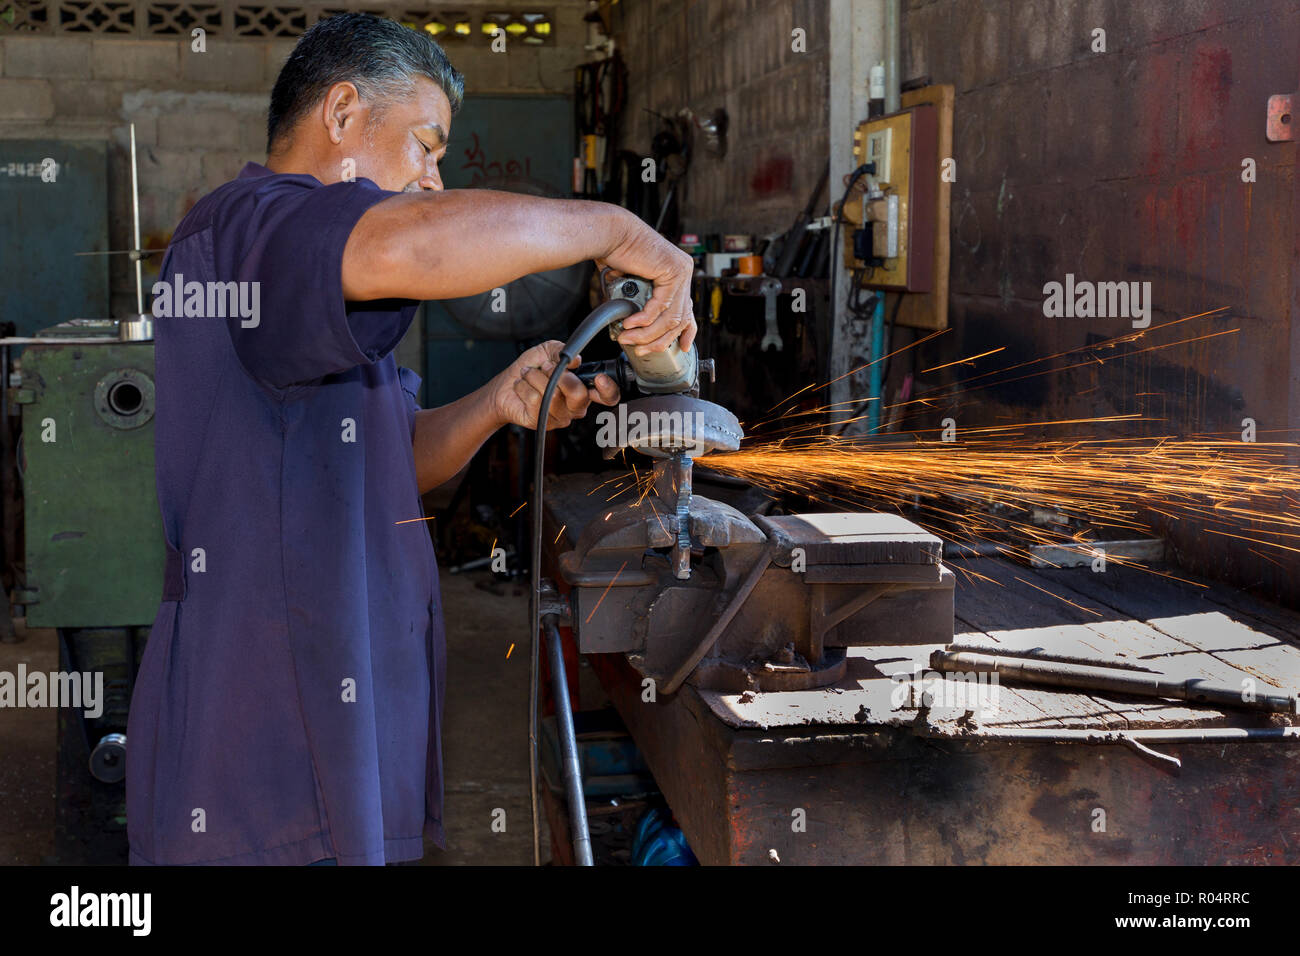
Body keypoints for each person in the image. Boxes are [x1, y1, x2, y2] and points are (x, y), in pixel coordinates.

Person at [125, 12, 696, 865]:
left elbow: (396, 463)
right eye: (425, 147)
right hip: (260, 719)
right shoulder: (246, 229)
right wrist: (618, 231)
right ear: (345, 111)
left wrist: (500, 401)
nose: (431, 181)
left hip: (344, 693)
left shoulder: (330, 295)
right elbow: (420, 242)